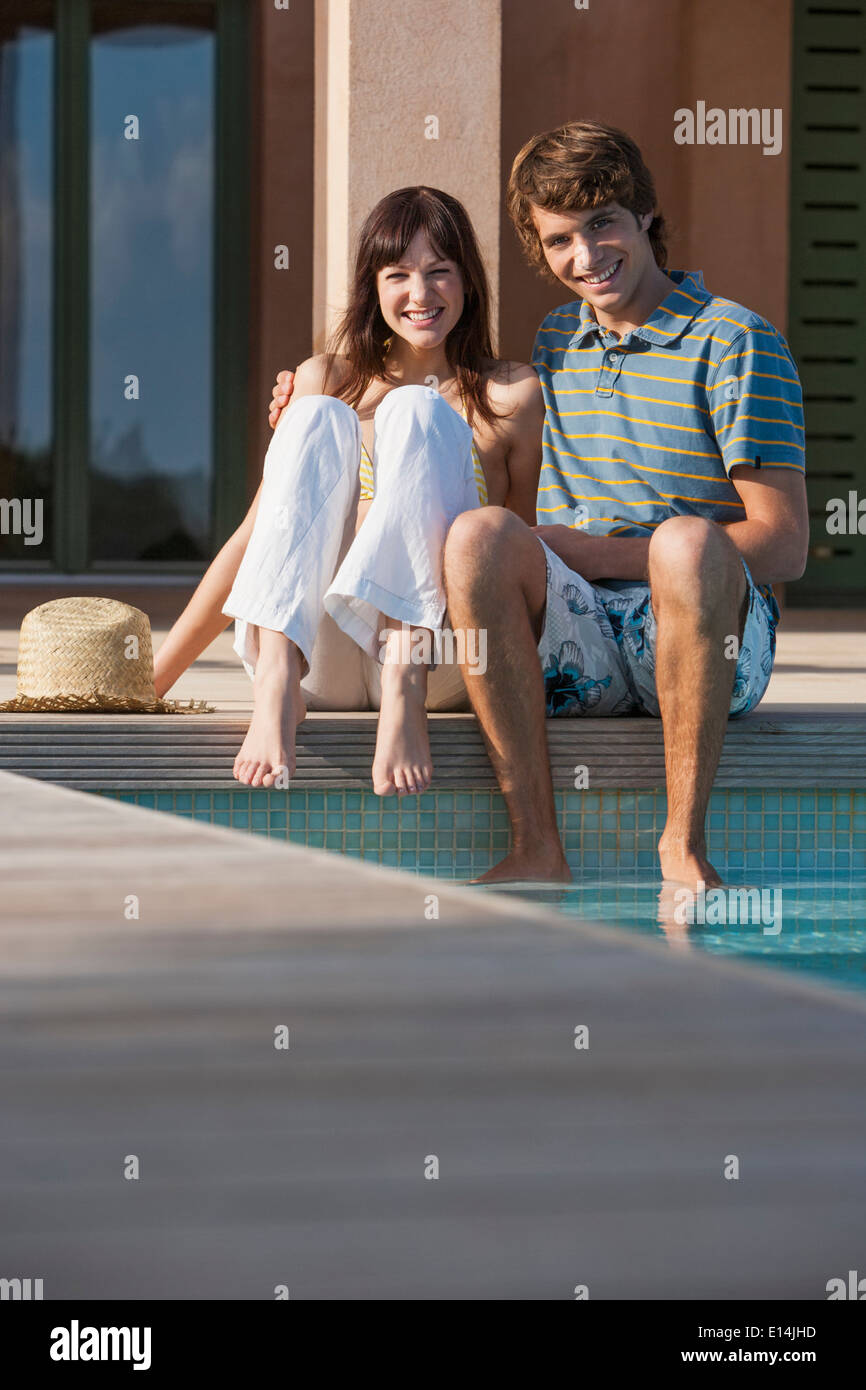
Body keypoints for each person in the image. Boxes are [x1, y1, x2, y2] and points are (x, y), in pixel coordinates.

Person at [270, 123, 809, 890]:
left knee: (686, 543)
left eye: (603, 224)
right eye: (561, 240)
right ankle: (536, 848)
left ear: (646, 215)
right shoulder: (559, 340)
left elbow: (784, 548)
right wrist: (311, 397)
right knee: (480, 534)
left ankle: (682, 845)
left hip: (703, 631)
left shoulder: (737, 342)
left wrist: (602, 553)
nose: (586, 257)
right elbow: (457, 419)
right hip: (579, 634)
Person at [153, 186, 543, 796]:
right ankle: (277, 685)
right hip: (322, 655)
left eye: (440, 272)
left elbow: (519, 553)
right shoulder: (326, 380)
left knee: (416, 409)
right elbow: (257, 538)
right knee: (312, 416)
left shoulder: (510, 395)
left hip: (440, 658)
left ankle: (401, 686)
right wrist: (157, 679)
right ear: (373, 285)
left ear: (468, 280)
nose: (421, 295)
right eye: (399, 275)